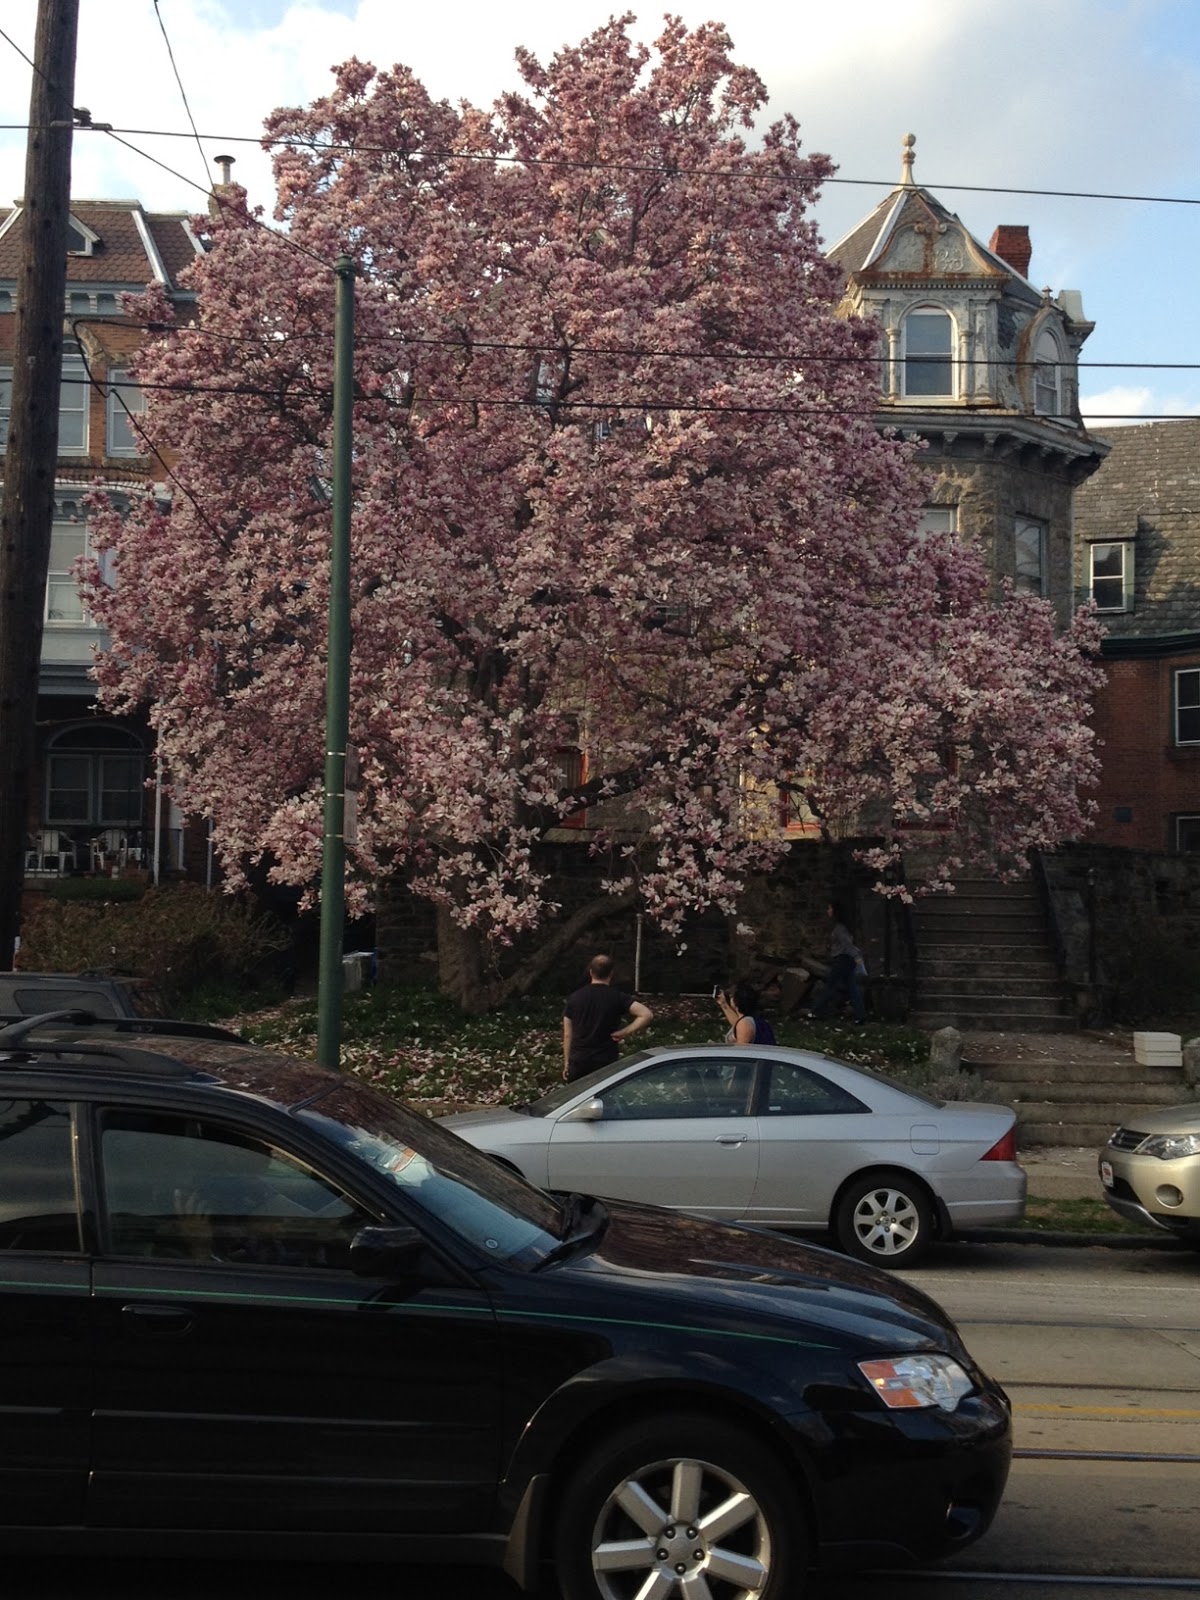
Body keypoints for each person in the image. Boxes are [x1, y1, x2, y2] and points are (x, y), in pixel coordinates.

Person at [562, 954, 653, 1081]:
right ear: (611, 973)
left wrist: (567, 1062)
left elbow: (567, 1034)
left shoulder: (574, 998)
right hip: (605, 1060)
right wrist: (624, 1032)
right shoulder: (617, 997)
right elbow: (646, 1014)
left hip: (579, 1059)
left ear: (590, 972)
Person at [810, 902, 867, 1024]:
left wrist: (856, 957)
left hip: (843, 959)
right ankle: (861, 1015)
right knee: (852, 987)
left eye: (830, 908)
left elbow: (847, 944)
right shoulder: (841, 927)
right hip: (846, 959)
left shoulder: (840, 928)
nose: (828, 911)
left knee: (831, 985)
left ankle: (817, 1010)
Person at [715, 981, 777, 1046]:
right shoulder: (750, 1020)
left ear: (736, 1000)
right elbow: (736, 1022)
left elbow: (742, 1052)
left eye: (731, 997)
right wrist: (723, 1003)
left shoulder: (744, 1024)